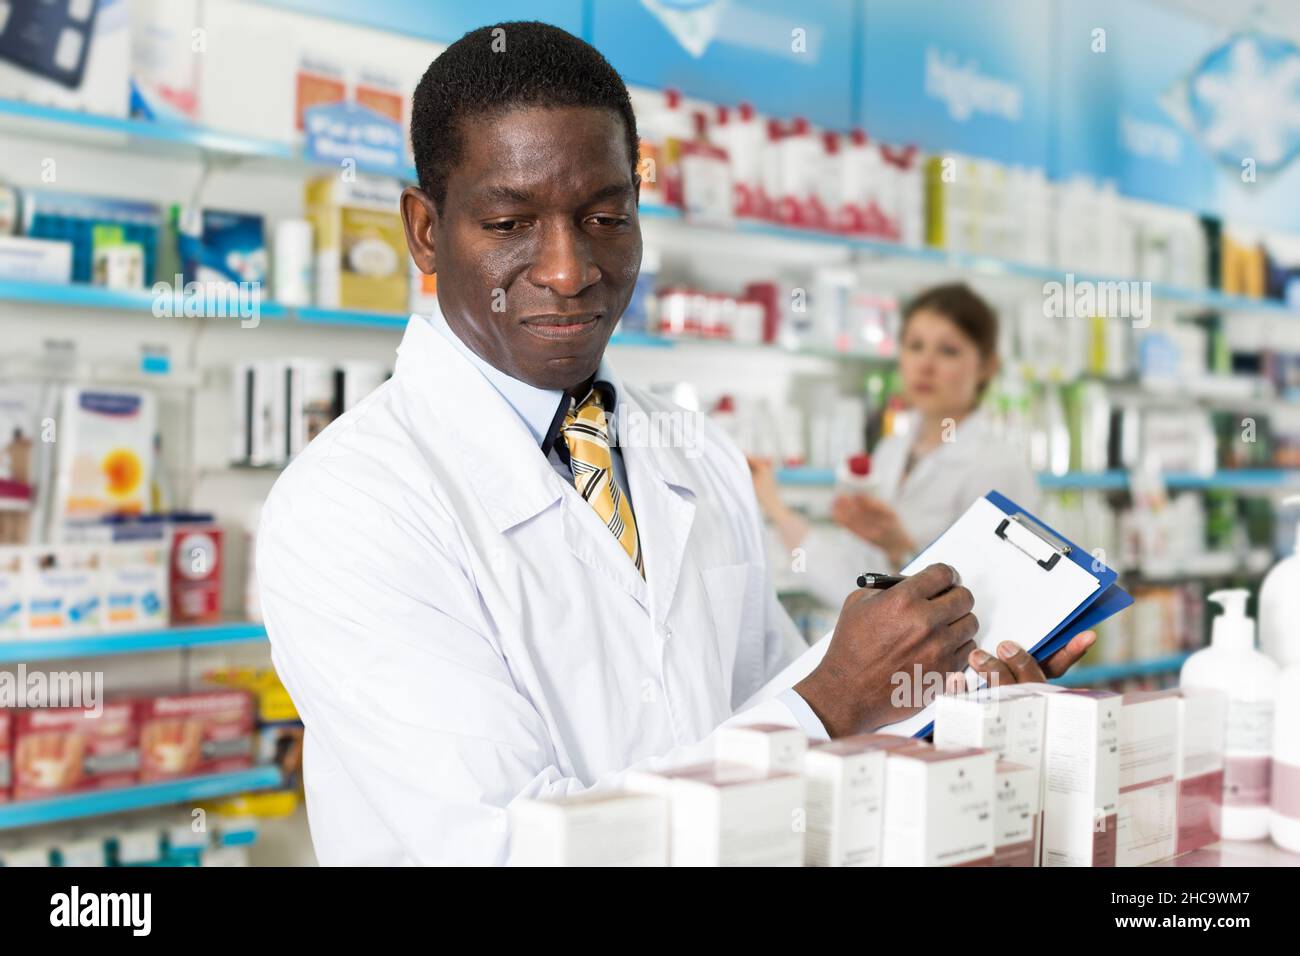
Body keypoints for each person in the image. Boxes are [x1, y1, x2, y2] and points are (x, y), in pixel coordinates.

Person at [257, 23, 1092, 866]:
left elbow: (769, 732)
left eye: (604, 217)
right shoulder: (348, 505)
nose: (568, 268)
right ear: (426, 230)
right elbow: (502, 844)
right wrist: (832, 698)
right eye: (510, 221)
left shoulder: (692, 453)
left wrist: (928, 700)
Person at [750, 283, 1040, 608]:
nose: (926, 365)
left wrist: (899, 548)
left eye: (948, 351)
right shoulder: (891, 450)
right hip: (887, 648)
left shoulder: (998, 465)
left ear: (987, 366)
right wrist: (773, 505)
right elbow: (855, 581)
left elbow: (1001, 601)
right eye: (915, 346)